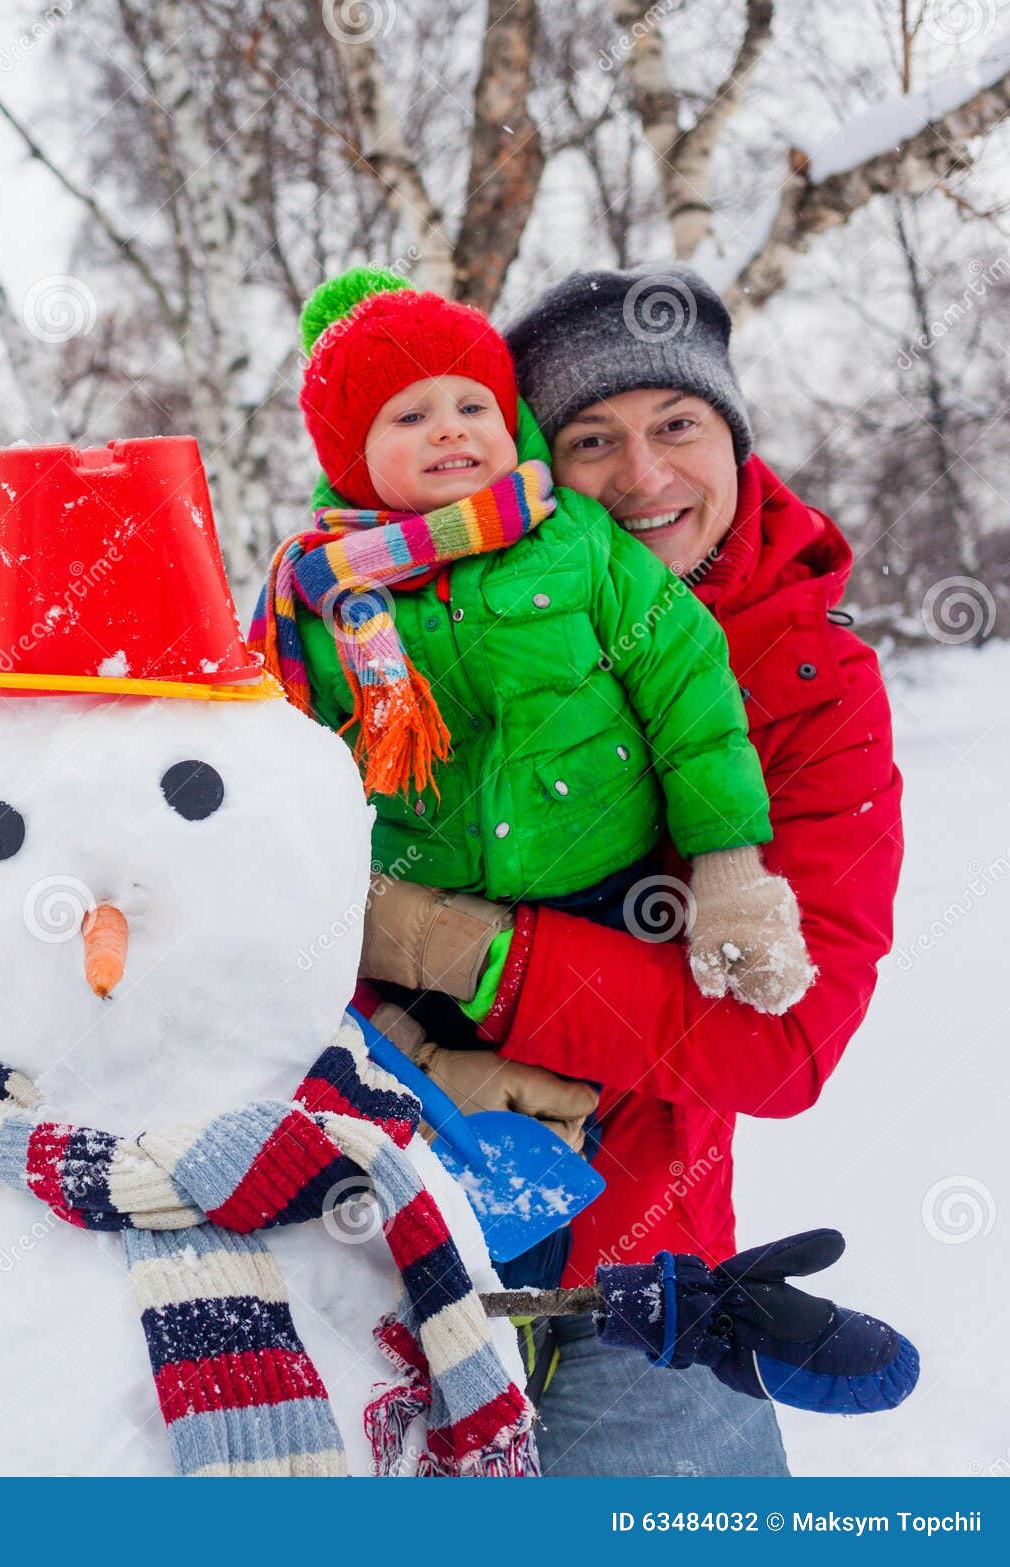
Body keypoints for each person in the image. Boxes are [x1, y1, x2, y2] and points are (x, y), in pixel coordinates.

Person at [360, 265, 904, 1475]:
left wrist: (459, 949)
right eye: (591, 438)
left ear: (732, 437)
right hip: (396, 1247)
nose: (643, 475)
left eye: (677, 426)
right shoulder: (397, 617)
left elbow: (782, 1037)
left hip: (646, 1281)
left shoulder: (812, 686)